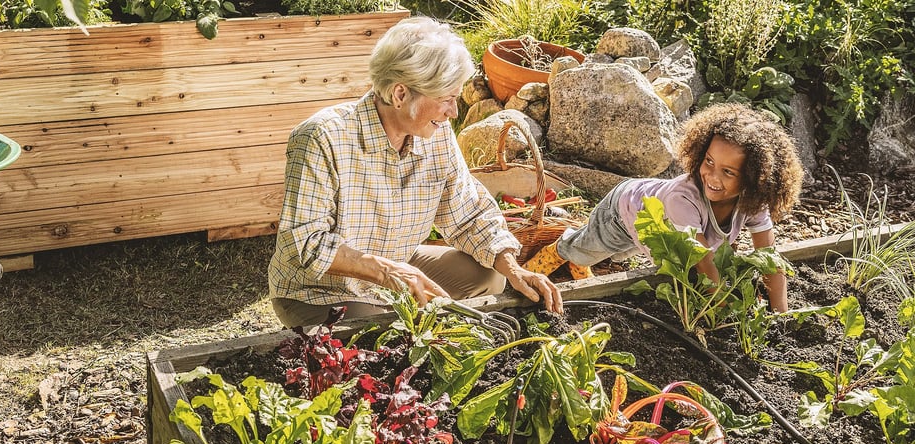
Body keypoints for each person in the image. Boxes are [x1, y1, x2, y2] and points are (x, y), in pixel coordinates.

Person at [266, 16, 563, 328]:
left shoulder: (435, 134)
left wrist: (514, 268)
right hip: (318, 291)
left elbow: (469, 213)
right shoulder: (322, 137)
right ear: (400, 95)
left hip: (394, 265)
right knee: (384, 333)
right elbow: (305, 244)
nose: (454, 112)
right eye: (447, 98)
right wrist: (388, 272)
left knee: (490, 274)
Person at [524, 102, 803, 312]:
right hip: (622, 212)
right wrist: (724, 310)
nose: (713, 177)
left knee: (625, 254)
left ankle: (587, 259)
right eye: (708, 162)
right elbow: (703, 263)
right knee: (586, 250)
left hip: (657, 227)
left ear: (755, 179)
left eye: (728, 172)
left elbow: (770, 259)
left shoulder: (753, 201)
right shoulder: (683, 198)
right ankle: (559, 250)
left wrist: (781, 314)